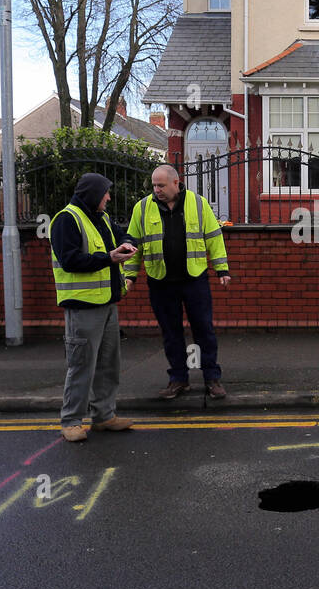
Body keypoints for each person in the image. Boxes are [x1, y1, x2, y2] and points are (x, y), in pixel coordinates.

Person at [124, 165, 231, 399]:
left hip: (194, 279)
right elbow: (133, 244)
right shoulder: (141, 208)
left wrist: (221, 269)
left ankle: (212, 378)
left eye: (161, 185)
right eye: (153, 185)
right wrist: (129, 275)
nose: (156, 190)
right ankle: (178, 379)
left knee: (204, 330)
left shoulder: (199, 204)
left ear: (176, 183)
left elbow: (214, 238)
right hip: (160, 280)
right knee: (171, 333)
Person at [50, 173, 138, 442]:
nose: (108, 198)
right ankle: (71, 421)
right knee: (81, 366)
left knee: (109, 364)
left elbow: (121, 232)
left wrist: (126, 243)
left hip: (107, 303)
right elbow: (70, 260)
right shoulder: (67, 219)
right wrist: (109, 257)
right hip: (83, 306)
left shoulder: (99, 217)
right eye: (105, 194)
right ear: (92, 195)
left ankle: (104, 416)